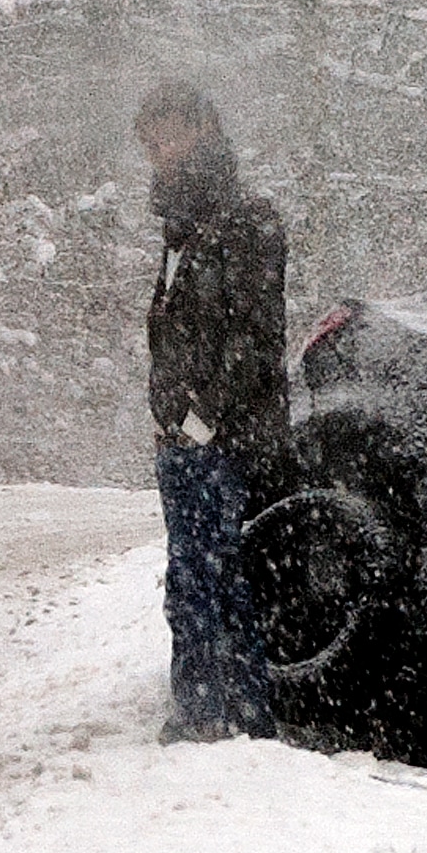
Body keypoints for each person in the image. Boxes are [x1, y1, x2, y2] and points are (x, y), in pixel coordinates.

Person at [135, 80, 286, 740]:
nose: (158, 154)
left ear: (200, 132)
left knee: (221, 581)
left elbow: (252, 338)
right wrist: (169, 420)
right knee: (189, 580)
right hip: (186, 440)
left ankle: (236, 724)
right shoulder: (183, 230)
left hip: (227, 441)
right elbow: (178, 331)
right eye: (150, 143)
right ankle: (199, 714)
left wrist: (201, 419)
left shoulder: (246, 221)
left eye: (166, 138)